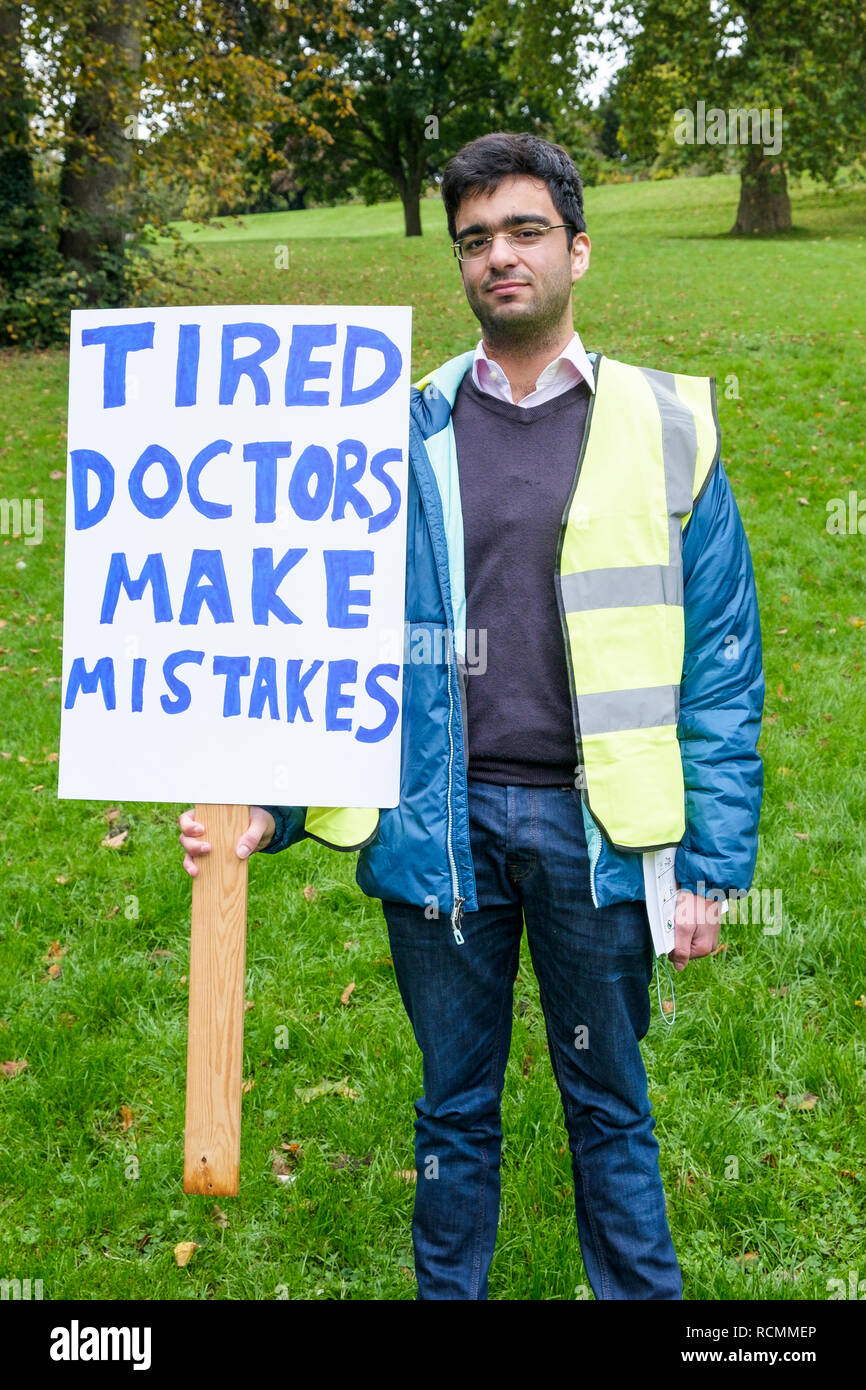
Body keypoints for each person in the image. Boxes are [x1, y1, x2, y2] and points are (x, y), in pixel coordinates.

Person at [179, 132, 764, 1300]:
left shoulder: (663, 425)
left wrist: (707, 862)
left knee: (609, 1100)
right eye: (475, 238)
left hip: (597, 840)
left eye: (524, 231)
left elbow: (718, 670)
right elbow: (327, 642)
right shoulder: (391, 433)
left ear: (577, 250)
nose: (499, 255)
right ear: (458, 263)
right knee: (452, 1104)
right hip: (438, 827)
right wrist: (269, 808)